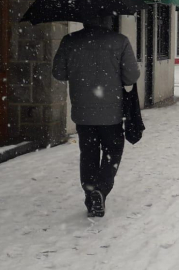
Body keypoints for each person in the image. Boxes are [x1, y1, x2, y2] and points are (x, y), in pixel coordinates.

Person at [53, 15, 139, 218]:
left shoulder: (70, 41)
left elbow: (58, 73)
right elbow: (131, 77)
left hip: (83, 113)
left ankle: (91, 192)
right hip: (112, 113)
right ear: (108, 19)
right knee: (112, 151)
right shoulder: (120, 41)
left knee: (88, 153)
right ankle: (101, 189)